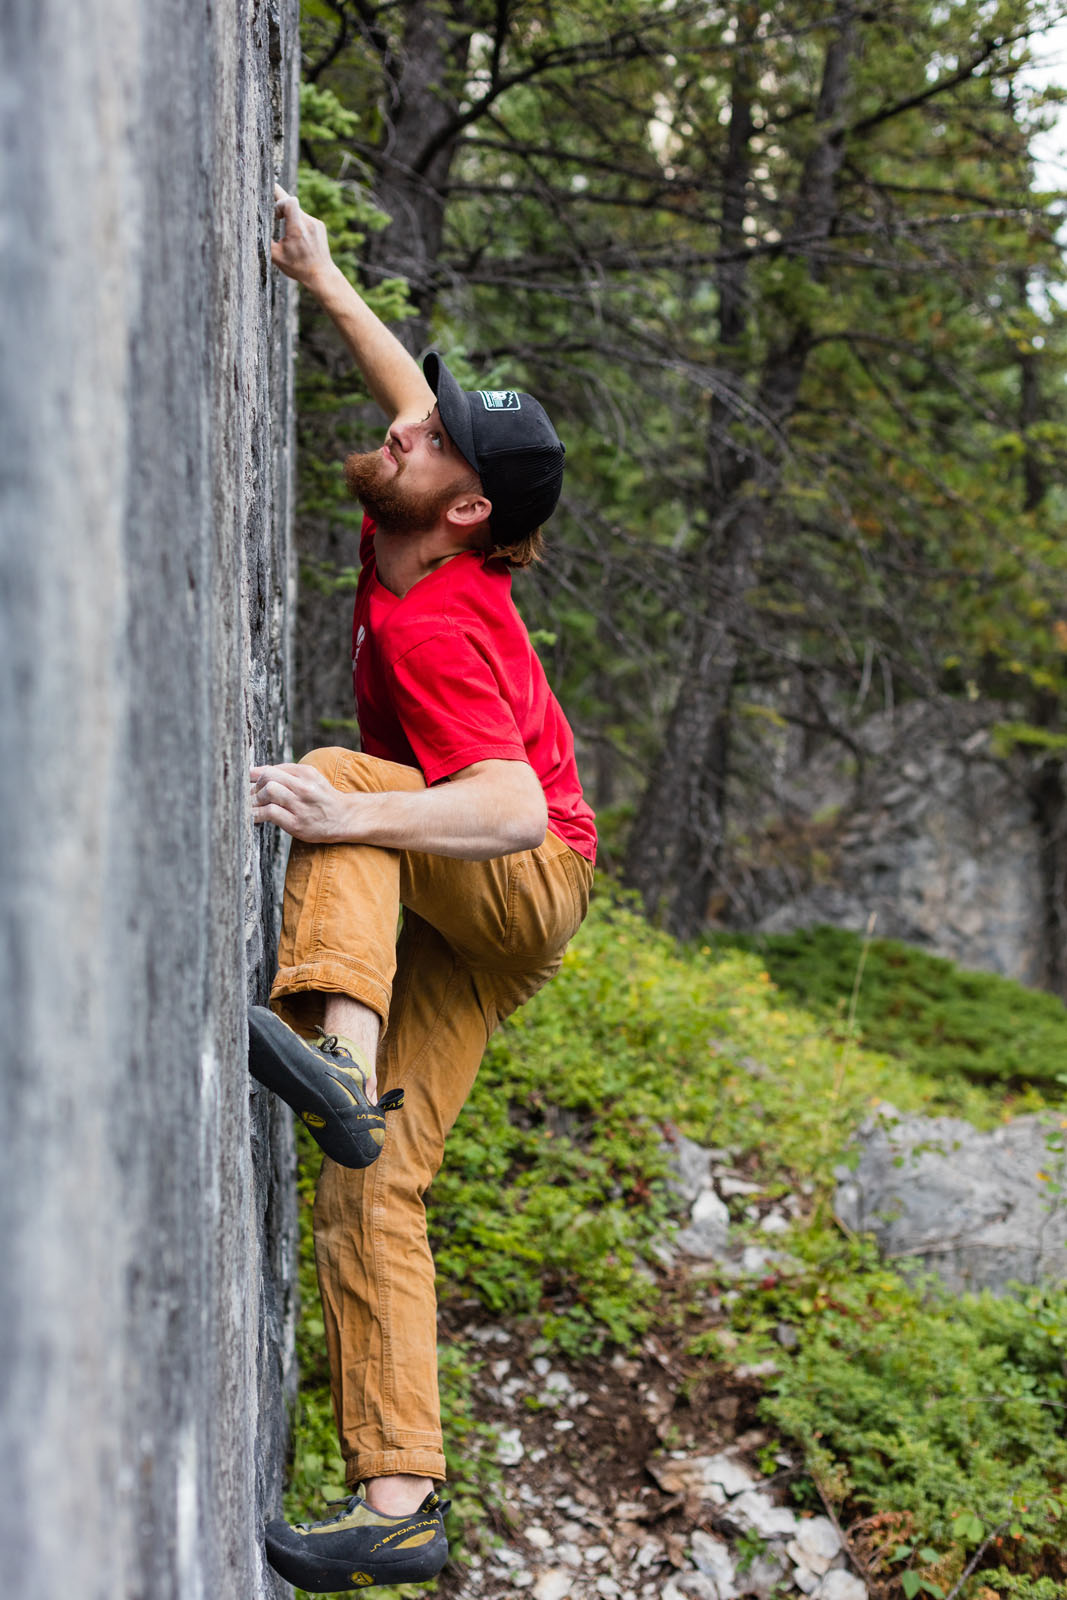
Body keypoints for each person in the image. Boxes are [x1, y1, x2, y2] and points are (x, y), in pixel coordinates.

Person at [248, 184, 597, 1593]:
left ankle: (336, 1060)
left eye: (435, 440)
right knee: (375, 1185)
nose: (403, 424)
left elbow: (510, 802)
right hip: (481, 911)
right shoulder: (429, 509)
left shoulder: (448, 612)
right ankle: (401, 1502)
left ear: (461, 508)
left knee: (352, 784)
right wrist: (324, 281)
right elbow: (408, 400)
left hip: (522, 871)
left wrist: (341, 806)